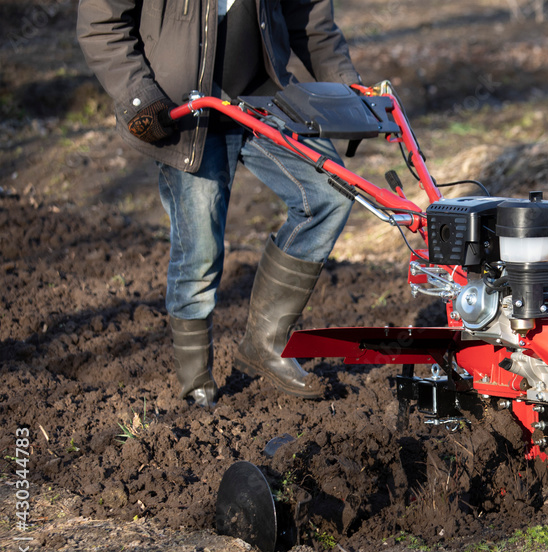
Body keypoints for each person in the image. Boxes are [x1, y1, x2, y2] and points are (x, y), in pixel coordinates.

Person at [77, 0, 361, 406]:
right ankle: (196, 387)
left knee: (330, 194)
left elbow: (308, 14)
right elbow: (100, 21)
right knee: (200, 251)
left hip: (265, 95)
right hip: (185, 109)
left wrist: (346, 88)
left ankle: (265, 344)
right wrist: (138, 96)